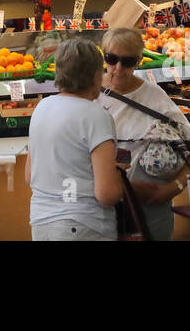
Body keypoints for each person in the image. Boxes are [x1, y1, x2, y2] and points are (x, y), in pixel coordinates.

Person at [98, 27, 190, 240]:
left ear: (139, 61)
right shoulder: (90, 93)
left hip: (149, 213)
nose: (118, 68)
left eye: (127, 61)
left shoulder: (154, 96)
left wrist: (174, 187)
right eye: (112, 58)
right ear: (104, 56)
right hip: (102, 212)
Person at [26, 38, 124, 240]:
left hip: (40, 223)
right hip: (84, 226)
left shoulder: (41, 108)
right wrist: (124, 181)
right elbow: (106, 194)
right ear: (97, 76)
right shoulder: (97, 116)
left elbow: (29, 176)